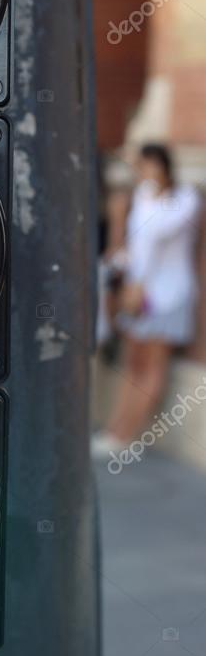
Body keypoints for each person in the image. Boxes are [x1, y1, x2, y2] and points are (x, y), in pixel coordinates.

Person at [93, 143, 201, 456]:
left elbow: (155, 234)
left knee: (153, 365)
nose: (148, 172)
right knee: (132, 362)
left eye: (153, 165)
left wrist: (128, 209)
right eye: (143, 166)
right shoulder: (141, 197)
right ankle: (115, 429)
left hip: (169, 295)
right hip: (137, 296)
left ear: (165, 166)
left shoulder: (185, 200)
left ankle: (129, 436)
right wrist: (118, 222)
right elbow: (130, 249)